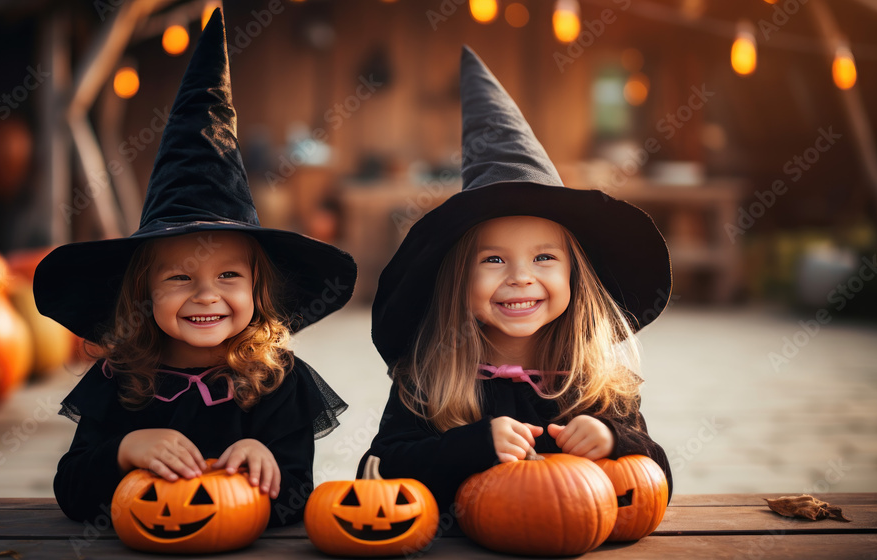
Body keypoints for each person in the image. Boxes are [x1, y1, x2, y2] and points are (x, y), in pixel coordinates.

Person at [33, 9, 356, 528]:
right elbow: (72, 496)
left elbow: (297, 500)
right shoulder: (120, 378)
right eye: (179, 277)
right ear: (143, 292)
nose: (206, 295)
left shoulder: (276, 380)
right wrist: (123, 450)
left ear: (258, 289)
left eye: (229, 276)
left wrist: (266, 463)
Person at [359, 47, 673, 512]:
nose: (521, 278)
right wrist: (470, 446)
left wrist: (614, 439)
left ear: (575, 275)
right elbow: (376, 474)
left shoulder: (596, 383)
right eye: (493, 260)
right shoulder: (431, 378)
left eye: (544, 257)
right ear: (458, 281)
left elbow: (656, 479)